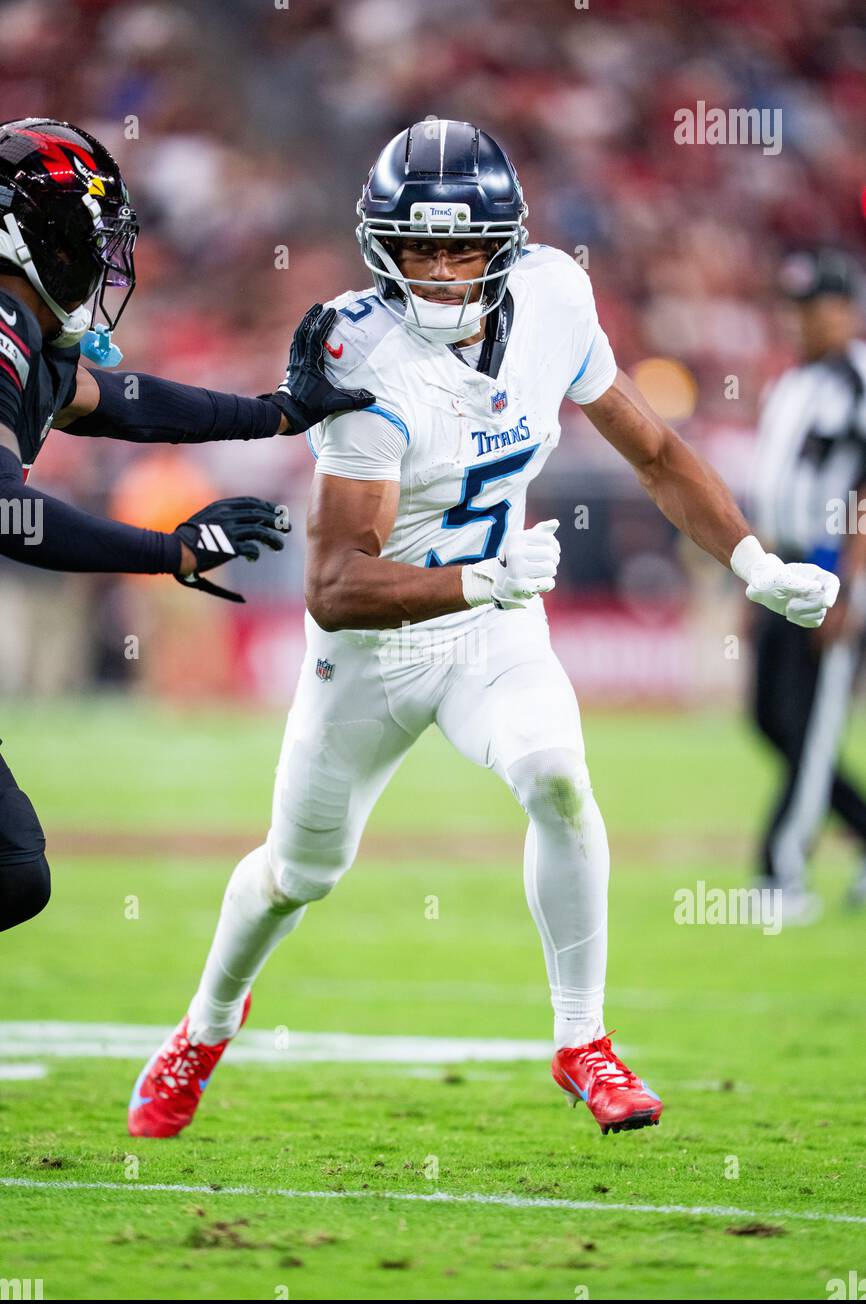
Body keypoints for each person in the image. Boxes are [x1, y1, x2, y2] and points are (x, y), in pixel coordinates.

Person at [129, 120, 839, 1141]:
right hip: (375, 652)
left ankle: (580, 1038)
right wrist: (479, 577)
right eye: (418, 247)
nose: (441, 271)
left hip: (492, 629)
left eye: (462, 247)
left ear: (504, 245)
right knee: (298, 873)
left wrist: (752, 561)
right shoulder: (359, 357)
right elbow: (333, 584)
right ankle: (202, 1026)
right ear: (382, 245)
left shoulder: (553, 296)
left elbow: (651, 447)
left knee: (554, 773)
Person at [0, 117, 372, 933]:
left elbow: (124, 403)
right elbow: (6, 511)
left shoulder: (22, 331)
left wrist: (276, 415)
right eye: (79, 236)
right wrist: (171, 549)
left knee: (13, 871)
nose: (98, 260)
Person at [748, 248, 866, 922]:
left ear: (844, 309)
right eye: (792, 307)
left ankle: (781, 873)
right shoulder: (790, 384)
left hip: (828, 575)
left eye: (812, 306)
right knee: (771, 719)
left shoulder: (856, 380)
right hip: (781, 567)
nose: (798, 320)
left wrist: (850, 584)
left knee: (813, 726)